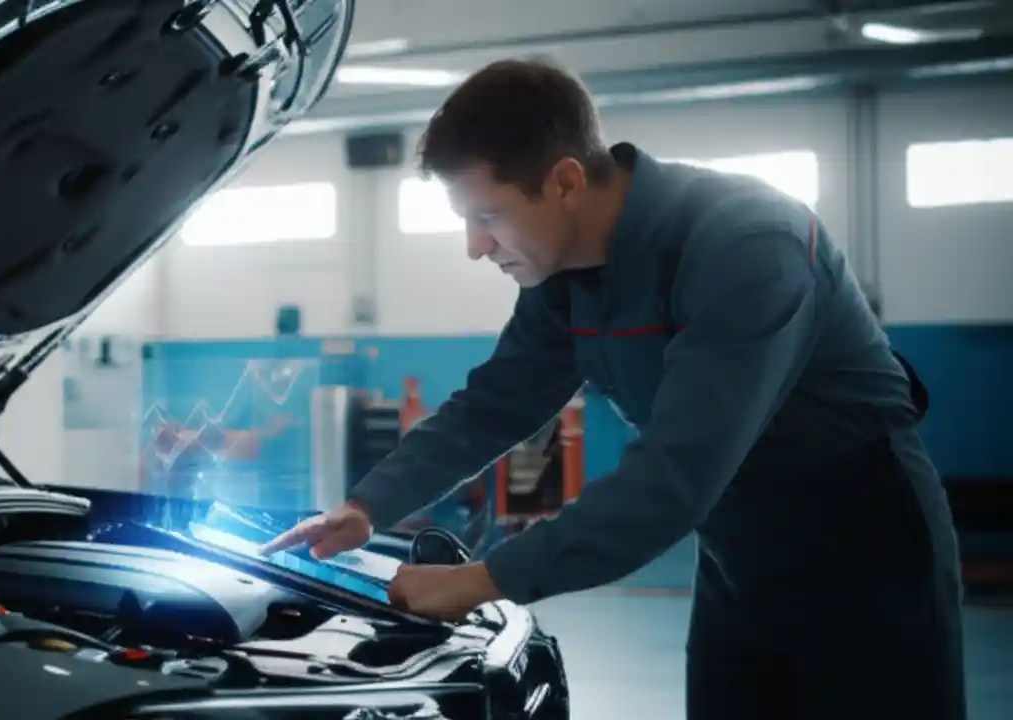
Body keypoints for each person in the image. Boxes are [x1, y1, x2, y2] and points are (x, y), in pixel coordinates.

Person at [263, 59, 966, 718]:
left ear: (566, 182)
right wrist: (366, 506)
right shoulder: (562, 279)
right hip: (737, 564)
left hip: (867, 562)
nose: (475, 247)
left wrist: (482, 580)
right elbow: (492, 407)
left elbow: (673, 478)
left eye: (488, 215)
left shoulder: (748, 245)